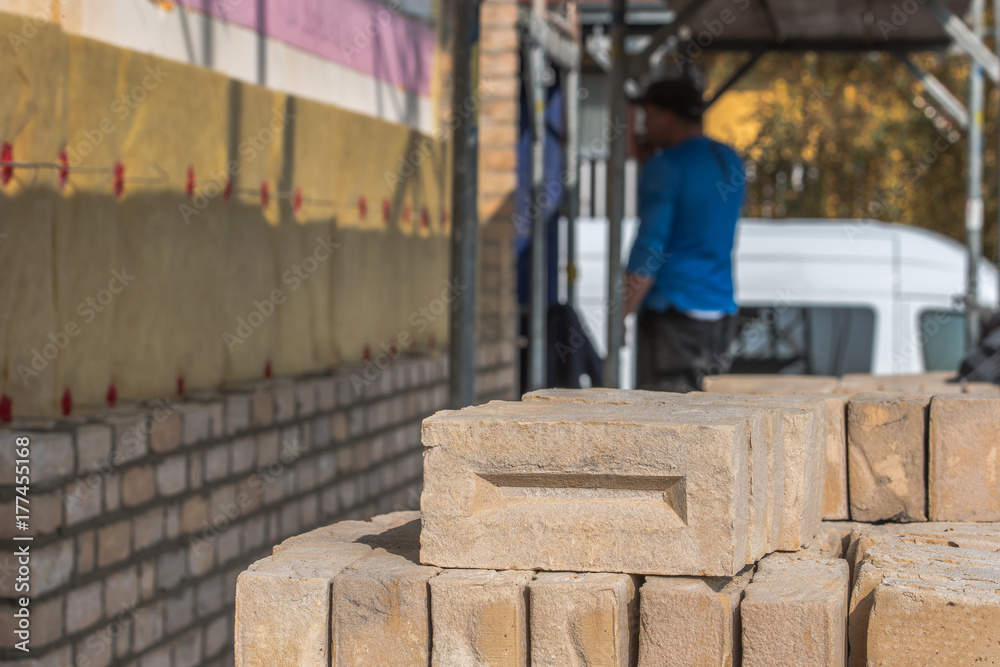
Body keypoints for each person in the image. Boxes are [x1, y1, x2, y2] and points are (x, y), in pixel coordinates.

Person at [623, 78, 746, 392]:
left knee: (663, 426)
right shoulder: (729, 160)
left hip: (672, 316)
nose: (644, 127)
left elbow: (650, 248)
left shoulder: (665, 168)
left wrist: (621, 312)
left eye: (647, 117)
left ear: (667, 117)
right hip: (720, 313)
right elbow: (701, 214)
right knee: (709, 421)